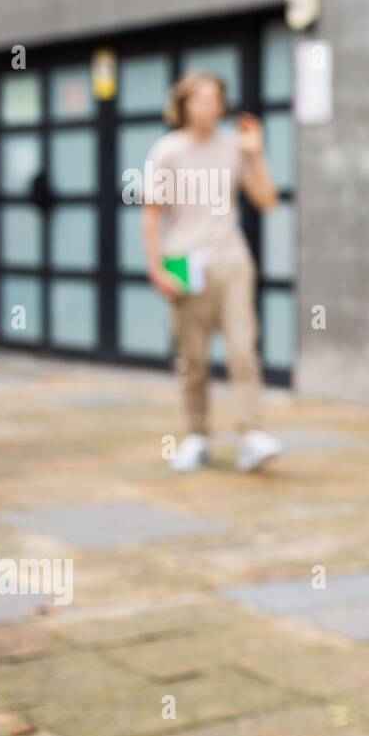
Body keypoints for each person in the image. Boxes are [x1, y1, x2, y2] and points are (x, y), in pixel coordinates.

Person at [141, 71, 283, 473]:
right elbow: (151, 214)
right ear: (183, 104)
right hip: (184, 261)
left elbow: (268, 200)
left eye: (214, 98)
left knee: (243, 349)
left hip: (233, 259)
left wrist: (256, 153)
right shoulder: (167, 150)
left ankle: (253, 434)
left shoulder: (235, 147)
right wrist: (155, 268)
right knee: (194, 358)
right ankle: (197, 436)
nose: (208, 106)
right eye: (199, 99)